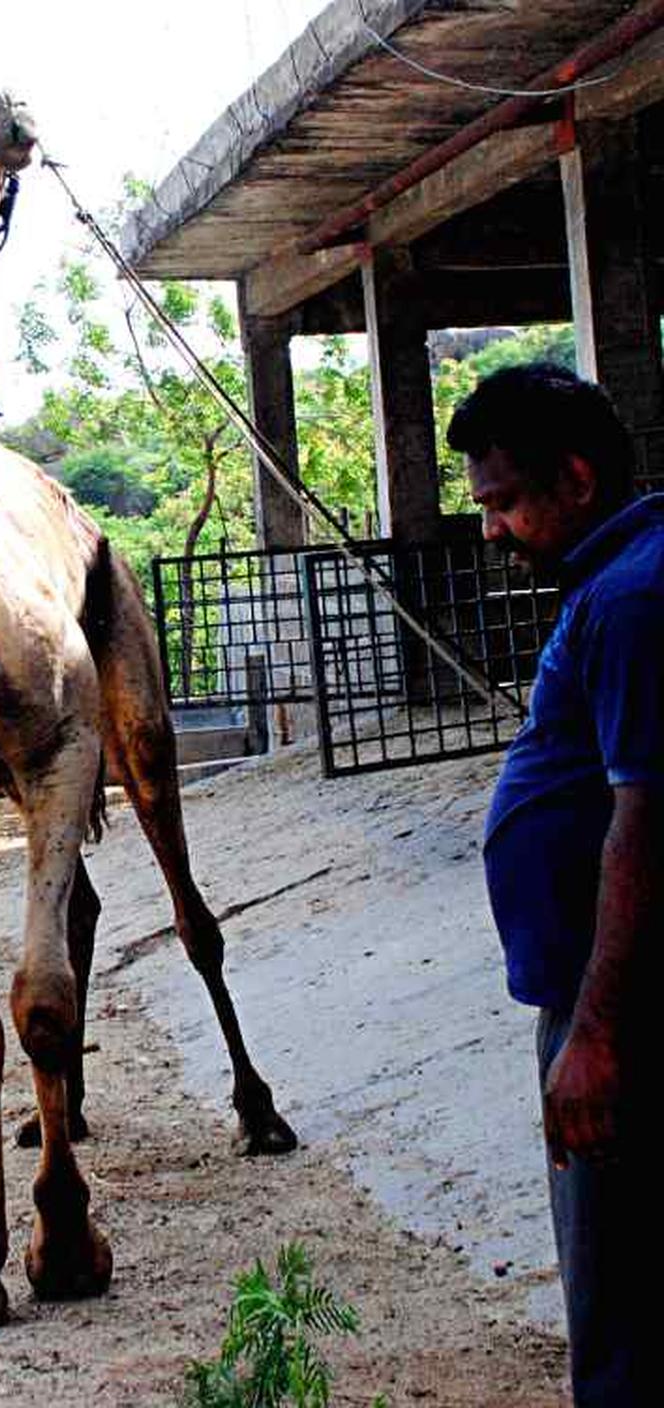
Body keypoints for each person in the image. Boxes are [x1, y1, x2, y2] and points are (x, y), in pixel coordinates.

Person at [447, 364, 659, 1407]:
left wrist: (598, 1033)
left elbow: (645, 819)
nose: (491, 530)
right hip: (593, 996)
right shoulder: (615, 587)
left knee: (618, 1301)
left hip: (616, 1004)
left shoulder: (632, 600)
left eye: (502, 502)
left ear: (574, 479)